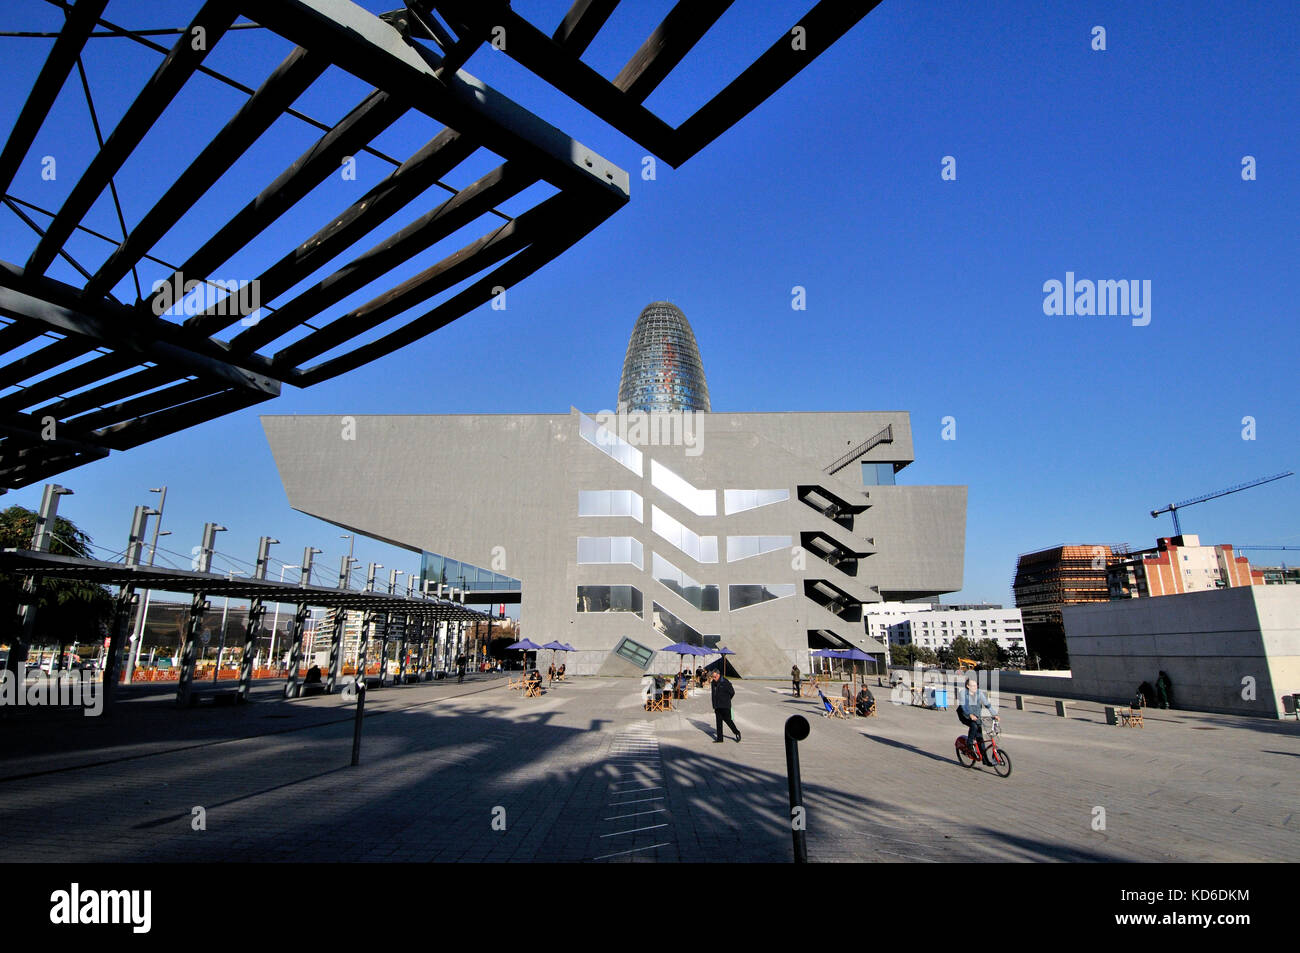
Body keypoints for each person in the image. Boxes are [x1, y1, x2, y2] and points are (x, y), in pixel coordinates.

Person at [957, 677, 998, 766]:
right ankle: (969, 743)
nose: (976, 687)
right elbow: (964, 707)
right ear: (968, 686)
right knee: (974, 726)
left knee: (980, 738)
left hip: (976, 716)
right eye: (973, 685)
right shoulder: (963, 693)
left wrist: (994, 714)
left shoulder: (979, 693)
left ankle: (985, 760)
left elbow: (987, 704)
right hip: (965, 715)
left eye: (976, 685)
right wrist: (970, 715)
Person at [710, 669, 741, 743]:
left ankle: (737, 732)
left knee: (728, 720)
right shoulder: (713, 683)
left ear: (718, 675)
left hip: (725, 705)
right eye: (712, 677)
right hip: (717, 705)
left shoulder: (725, 682)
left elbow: (732, 692)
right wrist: (714, 704)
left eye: (714, 677)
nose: (713, 678)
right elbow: (713, 695)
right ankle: (720, 739)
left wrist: (727, 699)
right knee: (718, 722)